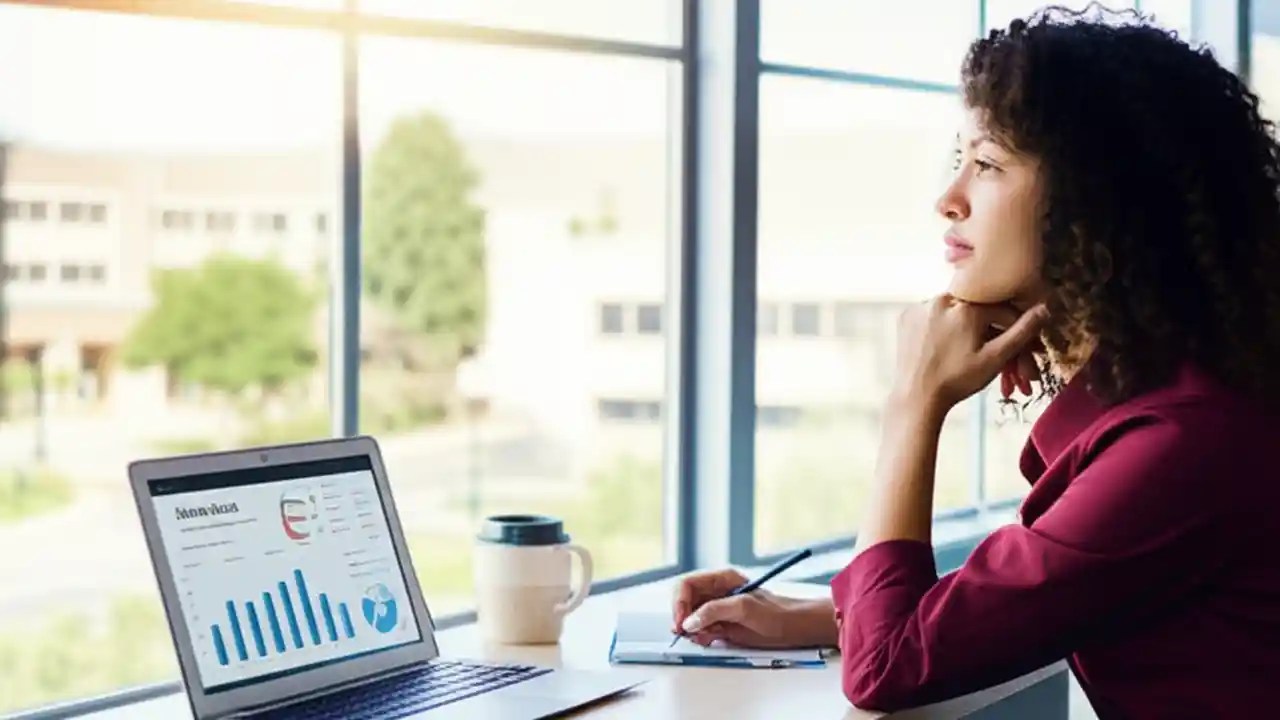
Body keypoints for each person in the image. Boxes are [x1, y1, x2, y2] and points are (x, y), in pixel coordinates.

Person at [671, 6, 1280, 717]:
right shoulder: (1181, 396)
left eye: (987, 164)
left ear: (1098, 207)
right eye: (958, 160)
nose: (947, 199)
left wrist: (915, 400)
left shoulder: (1180, 440)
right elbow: (1036, 585)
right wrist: (822, 616)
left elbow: (888, 667)